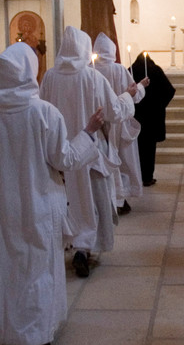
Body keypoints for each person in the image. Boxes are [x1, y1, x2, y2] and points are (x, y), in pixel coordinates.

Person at [0, 43, 106, 345]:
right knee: (38, 268)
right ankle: (36, 337)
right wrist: (89, 132)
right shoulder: (43, 112)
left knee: (11, 268)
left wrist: (7, 172)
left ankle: (16, 331)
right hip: (39, 204)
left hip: (5, 207)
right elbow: (65, 159)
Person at [41, 26, 135, 278]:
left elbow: (43, 110)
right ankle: (85, 248)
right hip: (90, 149)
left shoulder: (49, 77)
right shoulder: (92, 77)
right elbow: (114, 112)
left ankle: (72, 245)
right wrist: (128, 96)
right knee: (92, 199)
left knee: (69, 200)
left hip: (59, 150)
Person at [93, 32, 145, 215]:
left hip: (97, 123)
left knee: (103, 161)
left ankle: (108, 199)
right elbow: (134, 95)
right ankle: (120, 200)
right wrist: (141, 86)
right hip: (118, 122)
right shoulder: (119, 70)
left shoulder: (90, 69)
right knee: (121, 162)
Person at [129, 50, 175, 188]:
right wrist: (159, 105)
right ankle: (147, 177)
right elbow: (169, 90)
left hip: (136, 116)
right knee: (149, 149)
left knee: (136, 148)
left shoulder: (130, 71)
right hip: (152, 117)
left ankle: (136, 177)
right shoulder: (156, 70)